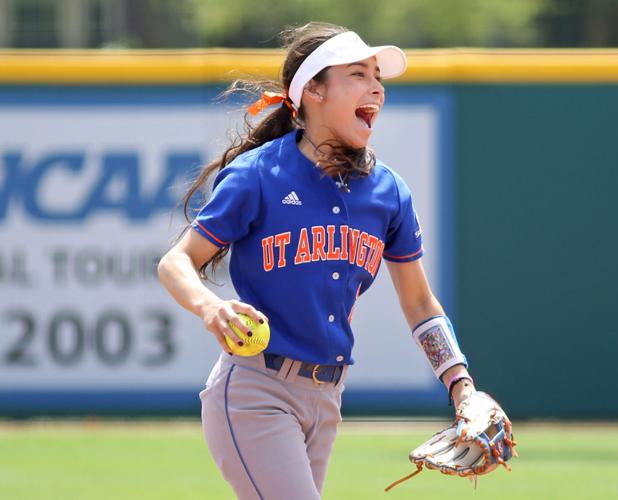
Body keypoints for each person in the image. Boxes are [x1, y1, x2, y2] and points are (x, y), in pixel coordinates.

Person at [157, 22, 477, 500]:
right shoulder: (259, 175)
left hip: (326, 401)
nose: (375, 87)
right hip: (255, 392)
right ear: (312, 92)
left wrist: (462, 387)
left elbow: (420, 304)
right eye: (357, 74)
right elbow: (176, 262)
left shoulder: (388, 192)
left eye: (378, 77)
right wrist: (211, 308)